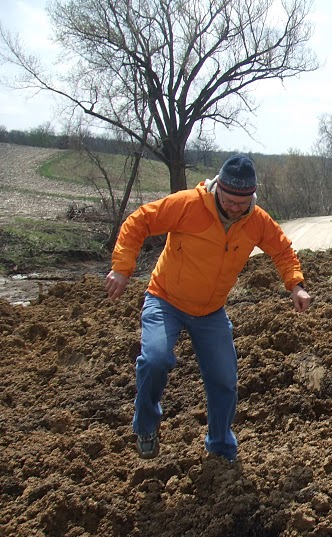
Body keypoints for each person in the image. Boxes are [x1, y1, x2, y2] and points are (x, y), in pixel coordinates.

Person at [105, 153, 312, 462]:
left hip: (210, 311)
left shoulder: (257, 221)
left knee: (224, 380)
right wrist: (122, 268)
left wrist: (295, 284)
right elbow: (140, 221)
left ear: (252, 196)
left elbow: (282, 250)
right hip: (165, 300)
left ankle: (220, 447)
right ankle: (146, 425)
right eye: (228, 201)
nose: (234, 208)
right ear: (218, 188)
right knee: (155, 360)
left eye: (242, 204)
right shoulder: (188, 205)